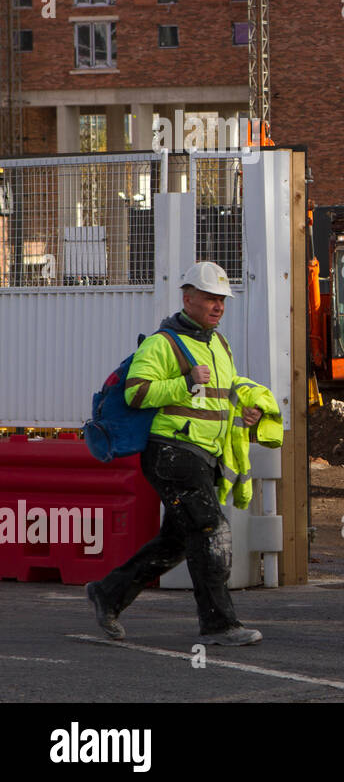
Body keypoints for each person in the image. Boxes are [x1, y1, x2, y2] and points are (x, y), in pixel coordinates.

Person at [87, 261, 278, 646]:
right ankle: (219, 624)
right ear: (187, 298)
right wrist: (185, 381)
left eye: (222, 299)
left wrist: (246, 408)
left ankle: (108, 593)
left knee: (177, 541)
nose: (218, 306)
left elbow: (222, 394)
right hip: (171, 453)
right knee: (210, 529)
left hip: (203, 455)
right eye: (210, 298)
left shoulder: (218, 344)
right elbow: (136, 393)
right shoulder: (162, 344)